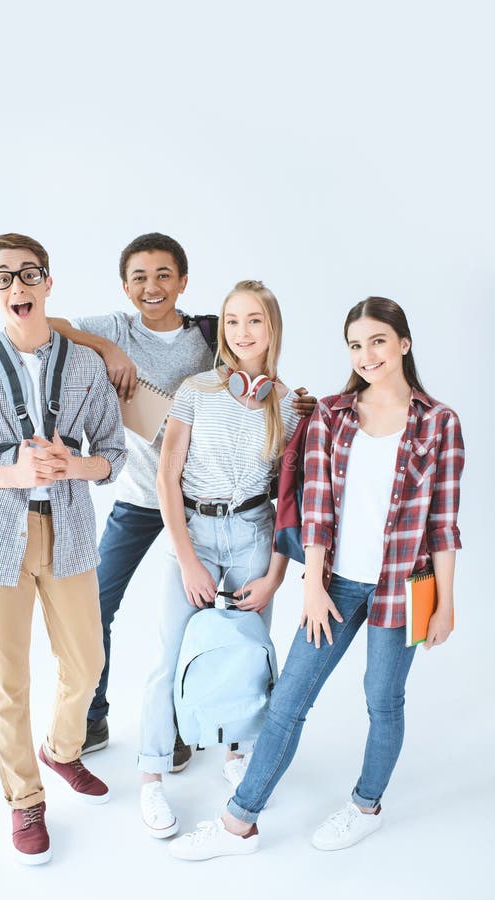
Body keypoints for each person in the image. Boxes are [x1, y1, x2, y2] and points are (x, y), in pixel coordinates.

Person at [169, 296, 464, 860]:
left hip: (404, 588)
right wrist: (310, 582)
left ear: (403, 343)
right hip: (336, 585)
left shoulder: (440, 422)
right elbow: (317, 505)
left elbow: (443, 523)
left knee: (383, 700)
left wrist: (446, 603)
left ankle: (365, 807)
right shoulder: (332, 413)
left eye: (378, 340)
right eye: (356, 344)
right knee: (288, 701)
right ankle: (239, 823)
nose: (367, 354)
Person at [49, 234, 315, 765]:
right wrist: (110, 350)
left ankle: (181, 724)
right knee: (97, 601)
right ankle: (94, 713)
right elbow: (48, 326)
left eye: (164, 275)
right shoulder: (114, 327)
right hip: (139, 496)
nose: (153, 287)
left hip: (201, 505)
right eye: (140, 277)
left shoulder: (208, 335)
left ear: (184, 282)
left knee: (198, 619)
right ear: (125, 286)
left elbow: (253, 379)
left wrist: (295, 404)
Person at [0, 233, 127, 865]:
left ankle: (62, 750)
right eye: (4, 278)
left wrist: (74, 465)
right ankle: (24, 799)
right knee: (7, 680)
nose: (18, 286)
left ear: (48, 283)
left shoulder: (86, 366)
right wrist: (10, 473)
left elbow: (114, 458)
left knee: (87, 662)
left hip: (68, 534)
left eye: (29, 274)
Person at [138, 279, 301, 838]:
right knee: (170, 655)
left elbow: (291, 502)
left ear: (272, 327)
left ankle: (238, 755)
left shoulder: (289, 406)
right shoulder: (196, 390)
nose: (241, 332)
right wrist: (187, 560)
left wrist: (276, 576)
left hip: (255, 535)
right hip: (197, 532)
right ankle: (152, 775)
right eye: (232, 321)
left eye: (254, 320)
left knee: (247, 655)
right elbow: (166, 475)